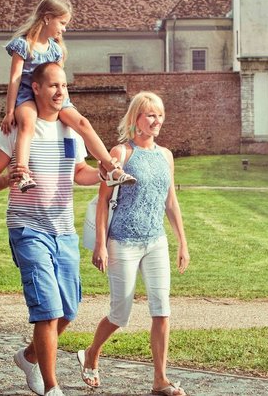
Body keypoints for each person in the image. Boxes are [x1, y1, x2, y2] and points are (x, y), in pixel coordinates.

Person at [0, 62, 104, 396]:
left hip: (63, 230)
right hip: (27, 227)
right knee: (47, 310)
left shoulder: (70, 128)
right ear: (35, 88)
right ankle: (52, 387)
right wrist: (7, 179)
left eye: (64, 86)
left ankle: (30, 356)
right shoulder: (19, 126)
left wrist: (103, 173)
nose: (60, 91)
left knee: (68, 310)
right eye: (53, 86)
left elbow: (80, 171)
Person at [78, 91, 190, 396]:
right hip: (123, 242)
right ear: (136, 119)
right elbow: (103, 202)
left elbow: (171, 200)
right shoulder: (121, 153)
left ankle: (160, 380)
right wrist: (100, 244)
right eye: (150, 115)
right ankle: (91, 353)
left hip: (156, 241)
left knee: (162, 309)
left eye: (160, 115)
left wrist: (182, 241)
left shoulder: (165, 155)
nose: (156, 121)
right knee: (120, 313)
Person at [2, 0, 134, 192]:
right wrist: (10, 111)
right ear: (47, 18)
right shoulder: (23, 44)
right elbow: (15, 79)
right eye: (62, 23)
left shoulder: (55, 49)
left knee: (83, 123)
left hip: (54, 97)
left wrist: (62, 98)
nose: (64, 29)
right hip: (28, 95)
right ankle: (23, 174)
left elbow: (59, 79)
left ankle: (111, 168)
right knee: (27, 124)